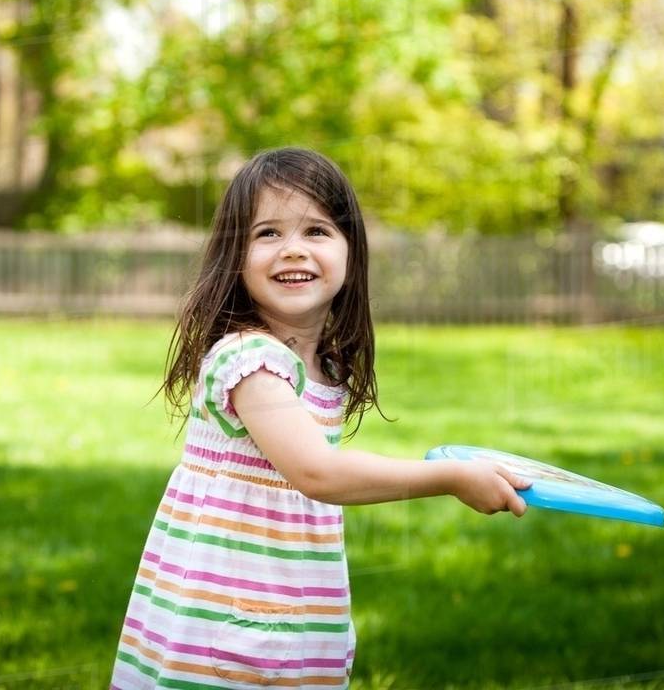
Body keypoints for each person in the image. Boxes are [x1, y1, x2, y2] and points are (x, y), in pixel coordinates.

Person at [110, 146, 531, 688]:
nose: (292, 250)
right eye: (267, 233)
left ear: (350, 252)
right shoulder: (249, 361)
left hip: (282, 611)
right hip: (223, 630)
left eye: (316, 231)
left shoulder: (323, 368)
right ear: (233, 258)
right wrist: (449, 478)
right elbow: (318, 474)